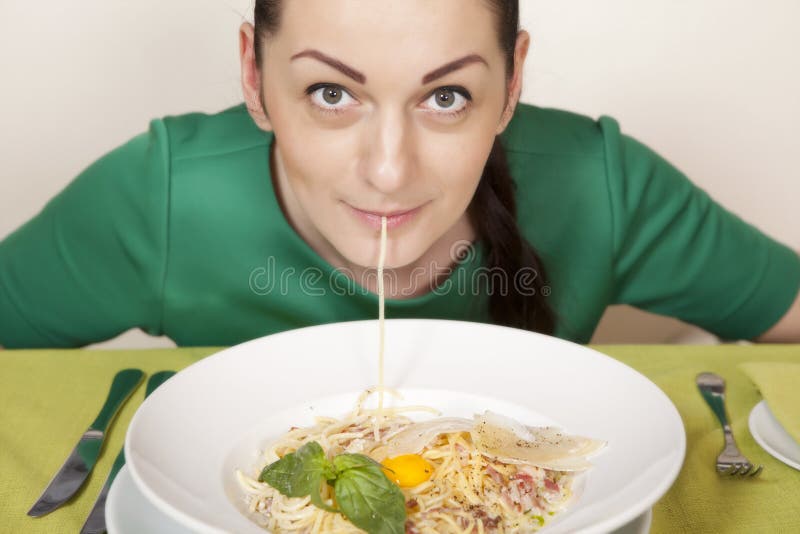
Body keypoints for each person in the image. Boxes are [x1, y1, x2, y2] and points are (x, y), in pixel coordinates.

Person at [1, 0, 799, 349]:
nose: (388, 172)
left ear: (513, 82)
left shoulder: (601, 182)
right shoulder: (161, 196)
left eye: (447, 96)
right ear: (253, 74)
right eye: (330, 93)